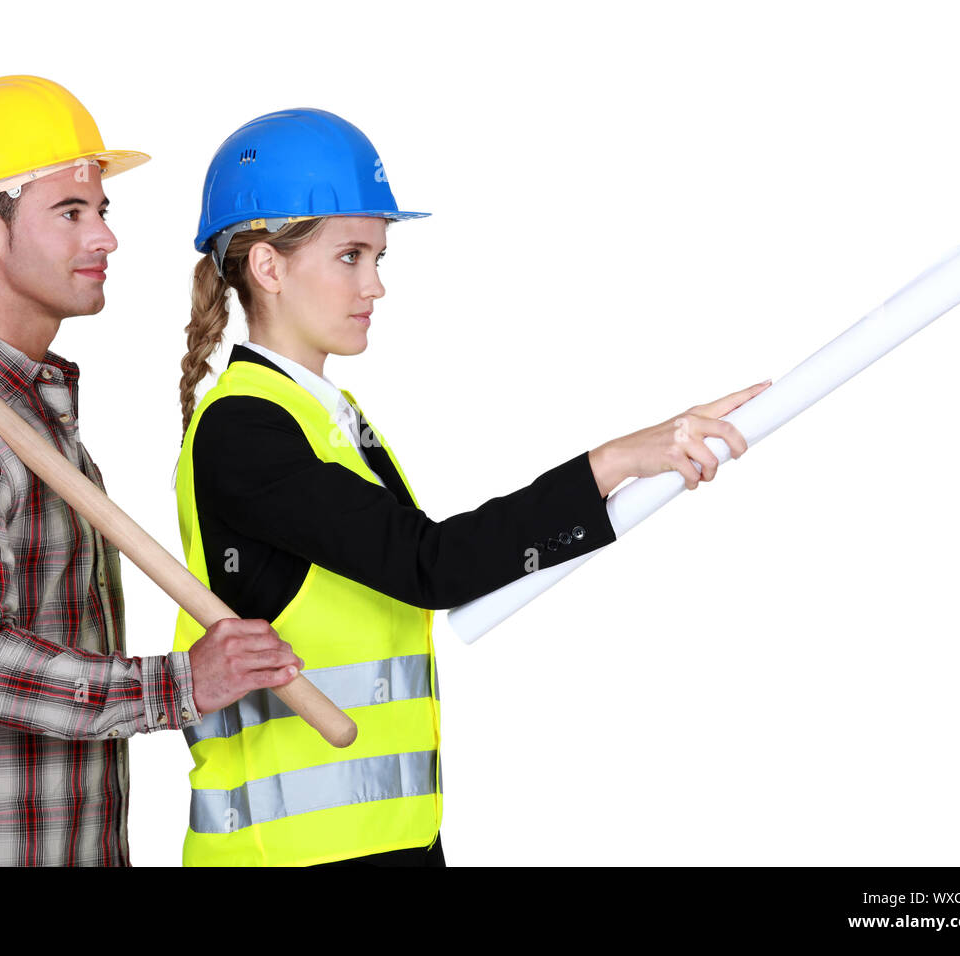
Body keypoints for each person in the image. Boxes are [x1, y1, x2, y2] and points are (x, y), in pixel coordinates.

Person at [173, 108, 771, 867]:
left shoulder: (329, 419)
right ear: (268, 267)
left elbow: (423, 574)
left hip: (386, 842)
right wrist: (615, 462)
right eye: (351, 256)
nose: (377, 285)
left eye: (380, 256)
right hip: (287, 857)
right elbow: (429, 564)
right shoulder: (245, 430)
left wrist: (623, 477)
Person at [0, 75, 302, 866]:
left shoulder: (38, 427)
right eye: (71, 213)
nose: (105, 239)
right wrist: (179, 683)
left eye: (102, 211)